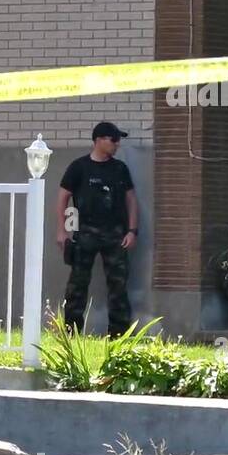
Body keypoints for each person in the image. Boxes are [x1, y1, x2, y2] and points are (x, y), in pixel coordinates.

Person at [56, 122, 138, 337]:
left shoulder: (120, 169)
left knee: (118, 287)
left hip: (116, 235)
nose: (117, 144)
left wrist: (132, 230)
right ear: (99, 140)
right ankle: (71, 333)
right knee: (77, 285)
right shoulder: (79, 167)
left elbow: (131, 200)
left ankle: (118, 337)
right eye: (114, 139)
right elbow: (63, 198)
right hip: (85, 234)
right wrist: (63, 231)